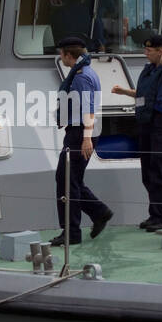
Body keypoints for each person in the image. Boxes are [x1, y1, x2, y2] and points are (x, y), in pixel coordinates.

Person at [112, 35, 162, 231]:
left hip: (161, 122)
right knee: (147, 174)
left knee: (158, 173)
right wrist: (124, 91)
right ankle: (154, 214)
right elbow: (143, 94)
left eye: (150, 50)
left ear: (160, 51)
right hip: (147, 122)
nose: (145, 53)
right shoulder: (149, 69)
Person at [51, 35, 112, 247]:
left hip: (80, 133)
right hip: (81, 132)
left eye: (62, 54)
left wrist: (86, 138)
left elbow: (88, 108)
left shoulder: (81, 77)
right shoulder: (84, 72)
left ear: (69, 55)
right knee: (71, 179)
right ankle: (99, 212)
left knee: (66, 180)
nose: (61, 57)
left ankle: (71, 232)